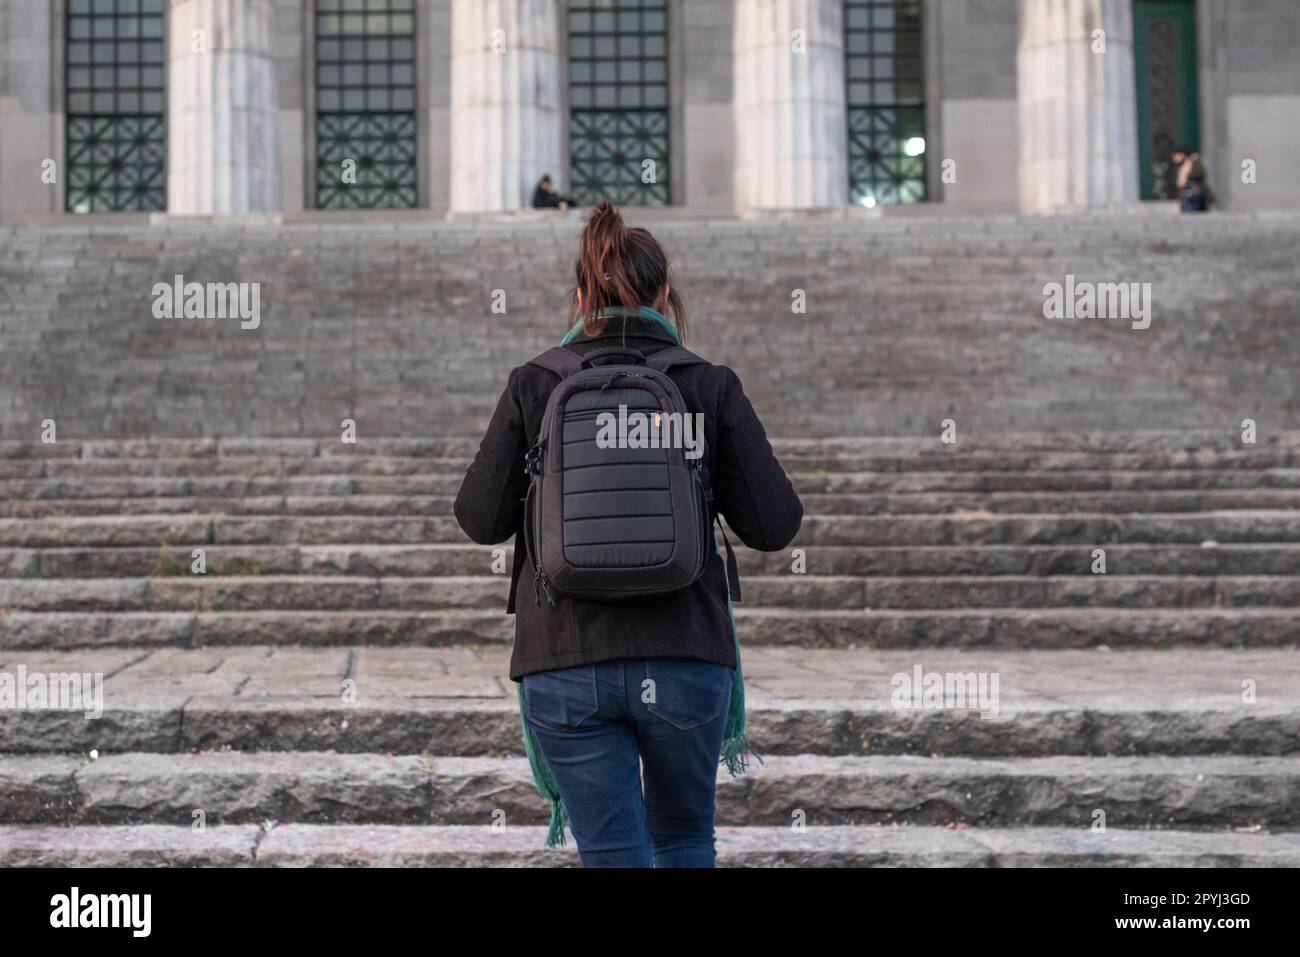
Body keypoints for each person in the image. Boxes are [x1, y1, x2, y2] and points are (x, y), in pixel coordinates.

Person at [453, 200, 803, 867]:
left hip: (564, 656)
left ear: (579, 296)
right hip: (685, 656)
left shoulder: (535, 384)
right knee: (682, 840)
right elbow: (774, 525)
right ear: (665, 296)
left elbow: (478, 518)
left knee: (612, 853)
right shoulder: (707, 384)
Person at [1171, 146, 1209, 213]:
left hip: (1192, 197)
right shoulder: (1183, 165)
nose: (1174, 158)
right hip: (1188, 197)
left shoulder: (1192, 164)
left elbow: (1184, 181)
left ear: (1182, 155)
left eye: (1175, 156)